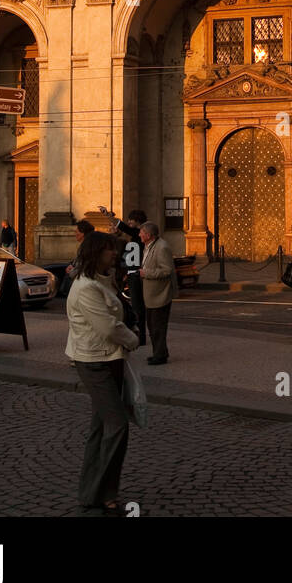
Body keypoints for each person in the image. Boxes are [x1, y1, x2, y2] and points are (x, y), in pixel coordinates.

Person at [66, 231, 140, 516]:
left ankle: (92, 492)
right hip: (95, 362)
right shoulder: (86, 288)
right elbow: (108, 326)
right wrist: (132, 339)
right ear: (95, 253)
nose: (115, 254)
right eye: (109, 250)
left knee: (100, 429)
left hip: (108, 359)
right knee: (117, 424)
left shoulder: (99, 281)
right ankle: (103, 491)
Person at [137, 222, 175, 365]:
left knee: (158, 326)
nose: (139, 235)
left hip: (160, 294)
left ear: (148, 235)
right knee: (152, 326)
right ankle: (159, 353)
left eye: (141, 232)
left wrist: (146, 273)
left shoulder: (162, 247)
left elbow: (167, 270)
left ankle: (160, 355)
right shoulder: (149, 246)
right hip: (151, 294)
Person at [113, 209, 147, 343]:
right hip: (132, 274)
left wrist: (110, 217)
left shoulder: (139, 234)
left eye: (131, 221)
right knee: (136, 305)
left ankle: (141, 336)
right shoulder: (135, 236)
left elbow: (127, 229)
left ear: (137, 221)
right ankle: (139, 333)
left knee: (138, 306)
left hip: (137, 275)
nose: (129, 223)